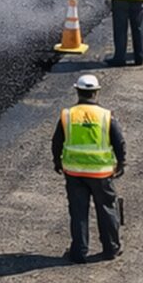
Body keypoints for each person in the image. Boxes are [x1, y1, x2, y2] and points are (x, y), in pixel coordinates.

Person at [52, 74, 126, 262]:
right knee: (107, 209)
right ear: (96, 92)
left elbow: (57, 142)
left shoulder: (68, 115)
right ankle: (111, 248)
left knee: (78, 212)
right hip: (101, 173)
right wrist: (121, 163)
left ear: (78, 91)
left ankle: (79, 252)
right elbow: (119, 142)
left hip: (75, 173)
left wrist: (57, 162)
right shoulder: (105, 116)